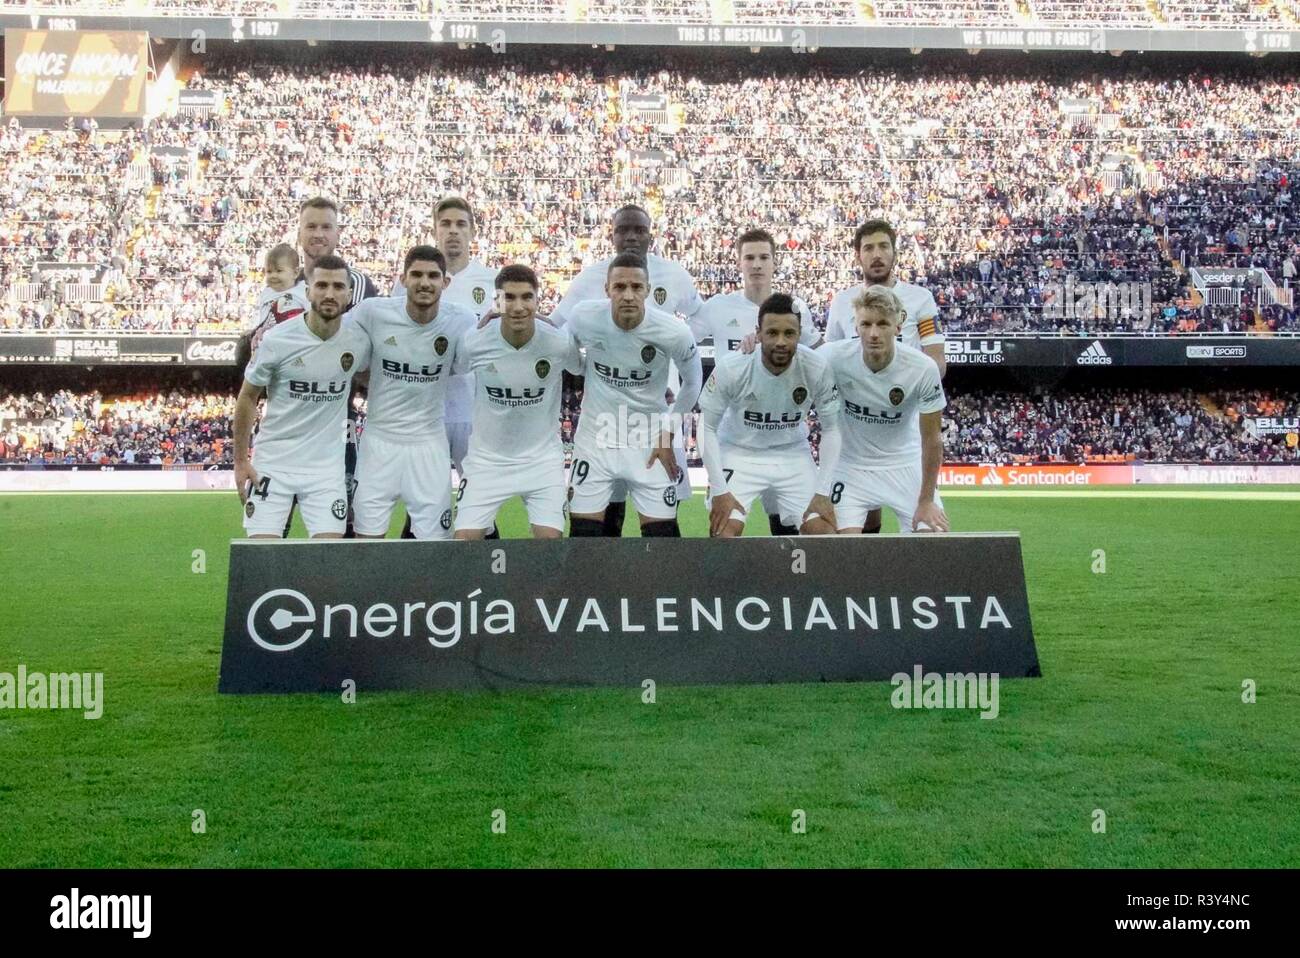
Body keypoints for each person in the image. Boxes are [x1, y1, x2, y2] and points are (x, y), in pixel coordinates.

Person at [550, 204, 703, 535]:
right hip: (597, 435)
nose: (629, 295)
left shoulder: (673, 330)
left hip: (649, 435)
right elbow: (562, 342)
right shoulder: (584, 314)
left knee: (663, 540)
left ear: (649, 291)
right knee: (587, 540)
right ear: (607, 290)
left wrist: (669, 430)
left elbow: (693, 381)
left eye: (636, 288)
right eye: (620, 287)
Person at [231, 255, 371, 539]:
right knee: (262, 560)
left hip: (326, 471)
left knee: (328, 562)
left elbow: (377, 379)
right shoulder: (277, 340)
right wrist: (240, 461)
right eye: (321, 285)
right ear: (307, 292)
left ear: (348, 295)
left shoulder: (358, 341)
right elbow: (247, 397)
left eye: (337, 286)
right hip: (273, 465)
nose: (329, 294)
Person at [694, 227, 822, 534]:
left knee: (792, 533)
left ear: (775, 262)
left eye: (764, 257)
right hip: (735, 439)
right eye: (749, 257)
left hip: (786, 439)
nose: (756, 264)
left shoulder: (795, 308)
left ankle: (786, 581)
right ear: (738, 262)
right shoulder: (717, 307)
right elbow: (681, 345)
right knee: (724, 529)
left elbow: (819, 357)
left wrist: (769, 341)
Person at [826, 218, 947, 534]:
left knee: (934, 540)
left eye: (883, 246)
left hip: (901, 435)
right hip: (854, 447)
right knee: (852, 536)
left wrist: (908, 384)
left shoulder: (920, 299)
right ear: (858, 255)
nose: (876, 254)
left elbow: (936, 359)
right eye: (868, 248)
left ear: (895, 253)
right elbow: (826, 366)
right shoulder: (841, 302)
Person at [346, 246, 475, 540]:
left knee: (434, 548)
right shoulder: (371, 313)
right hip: (379, 443)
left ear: (446, 282)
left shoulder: (461, 321)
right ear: (402, 279)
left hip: (429, 445)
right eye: (416, 274)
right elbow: (338, 347)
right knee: (366, 542)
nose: (424, 282)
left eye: (432, 276)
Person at [452, 265, 583, 539]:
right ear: (497, 300)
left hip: (542, 460)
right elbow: (458, 368)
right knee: (463, 544)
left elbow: (583, 369)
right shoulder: (474, 342)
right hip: (486, 461)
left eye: (526, 297)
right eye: (509, 297)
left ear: (538, 300)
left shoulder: (559, 343)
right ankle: (480, 585)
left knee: (549, 545)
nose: (518, 306)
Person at [696, 293, 840, 538]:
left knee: (824, 534)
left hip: (793, 454)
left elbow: (832, 429)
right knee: (723, 532)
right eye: (772, 333)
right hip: (739, 452)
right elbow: (706, 426)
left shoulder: (816, 367)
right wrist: (719, 489)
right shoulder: (734, 366)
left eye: (789, 333)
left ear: (799, 334)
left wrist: (823, 491)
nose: (781, 341)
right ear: (758, 333)